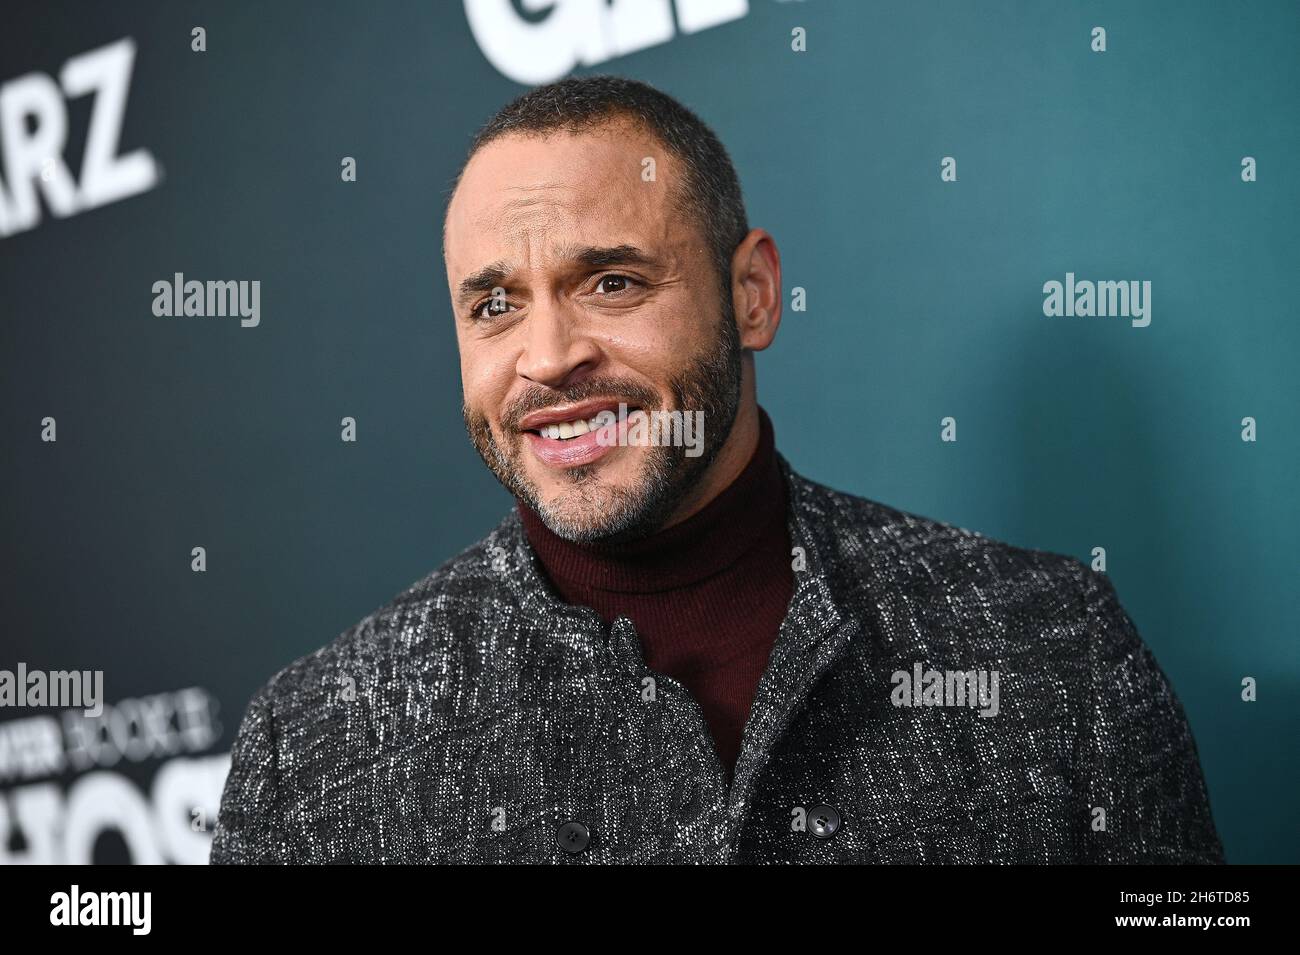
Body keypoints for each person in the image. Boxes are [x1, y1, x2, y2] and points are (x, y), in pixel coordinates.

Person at [210, 76, 1222, 864]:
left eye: (610, 281)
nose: (548, 355)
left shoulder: (1050, 649)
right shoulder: (314, 751)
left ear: (751, 296)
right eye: (494, 305)